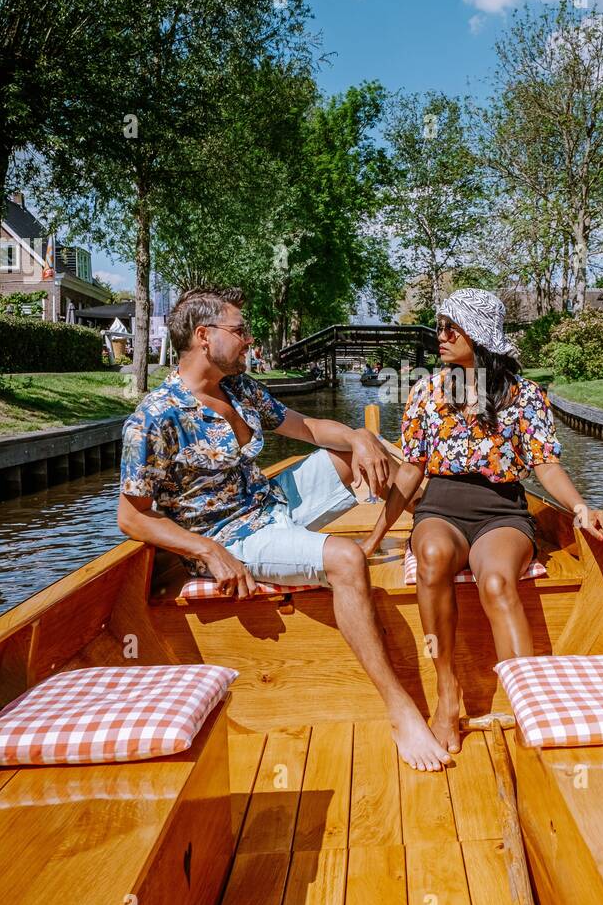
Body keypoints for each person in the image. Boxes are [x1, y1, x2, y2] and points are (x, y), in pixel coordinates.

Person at [118, 286, 454, 772]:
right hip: (236, 535)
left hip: (273, 501)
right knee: (347, 559)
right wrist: (209, 550)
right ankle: (400, 710)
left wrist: (361, 437)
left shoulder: (239, 389)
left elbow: (312, 429)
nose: (250, 340)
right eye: (241, 331)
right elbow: (131, 516)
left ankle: (436, 520)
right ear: (204, 336)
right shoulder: (155, 417)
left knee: (358, 450)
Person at [361, 287, 603, 756]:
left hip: (502, 511)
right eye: (439, 327)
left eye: (450, 328)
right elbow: (410, 471)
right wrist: (374, 537)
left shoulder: (524, 396)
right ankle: (448, 695)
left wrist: (582, 507)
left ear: (478, 337)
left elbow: (545, 464)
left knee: (499, 582)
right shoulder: (426, 391)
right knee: (432, 557)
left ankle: (532, 705)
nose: (439, 336)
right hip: (440, 508)